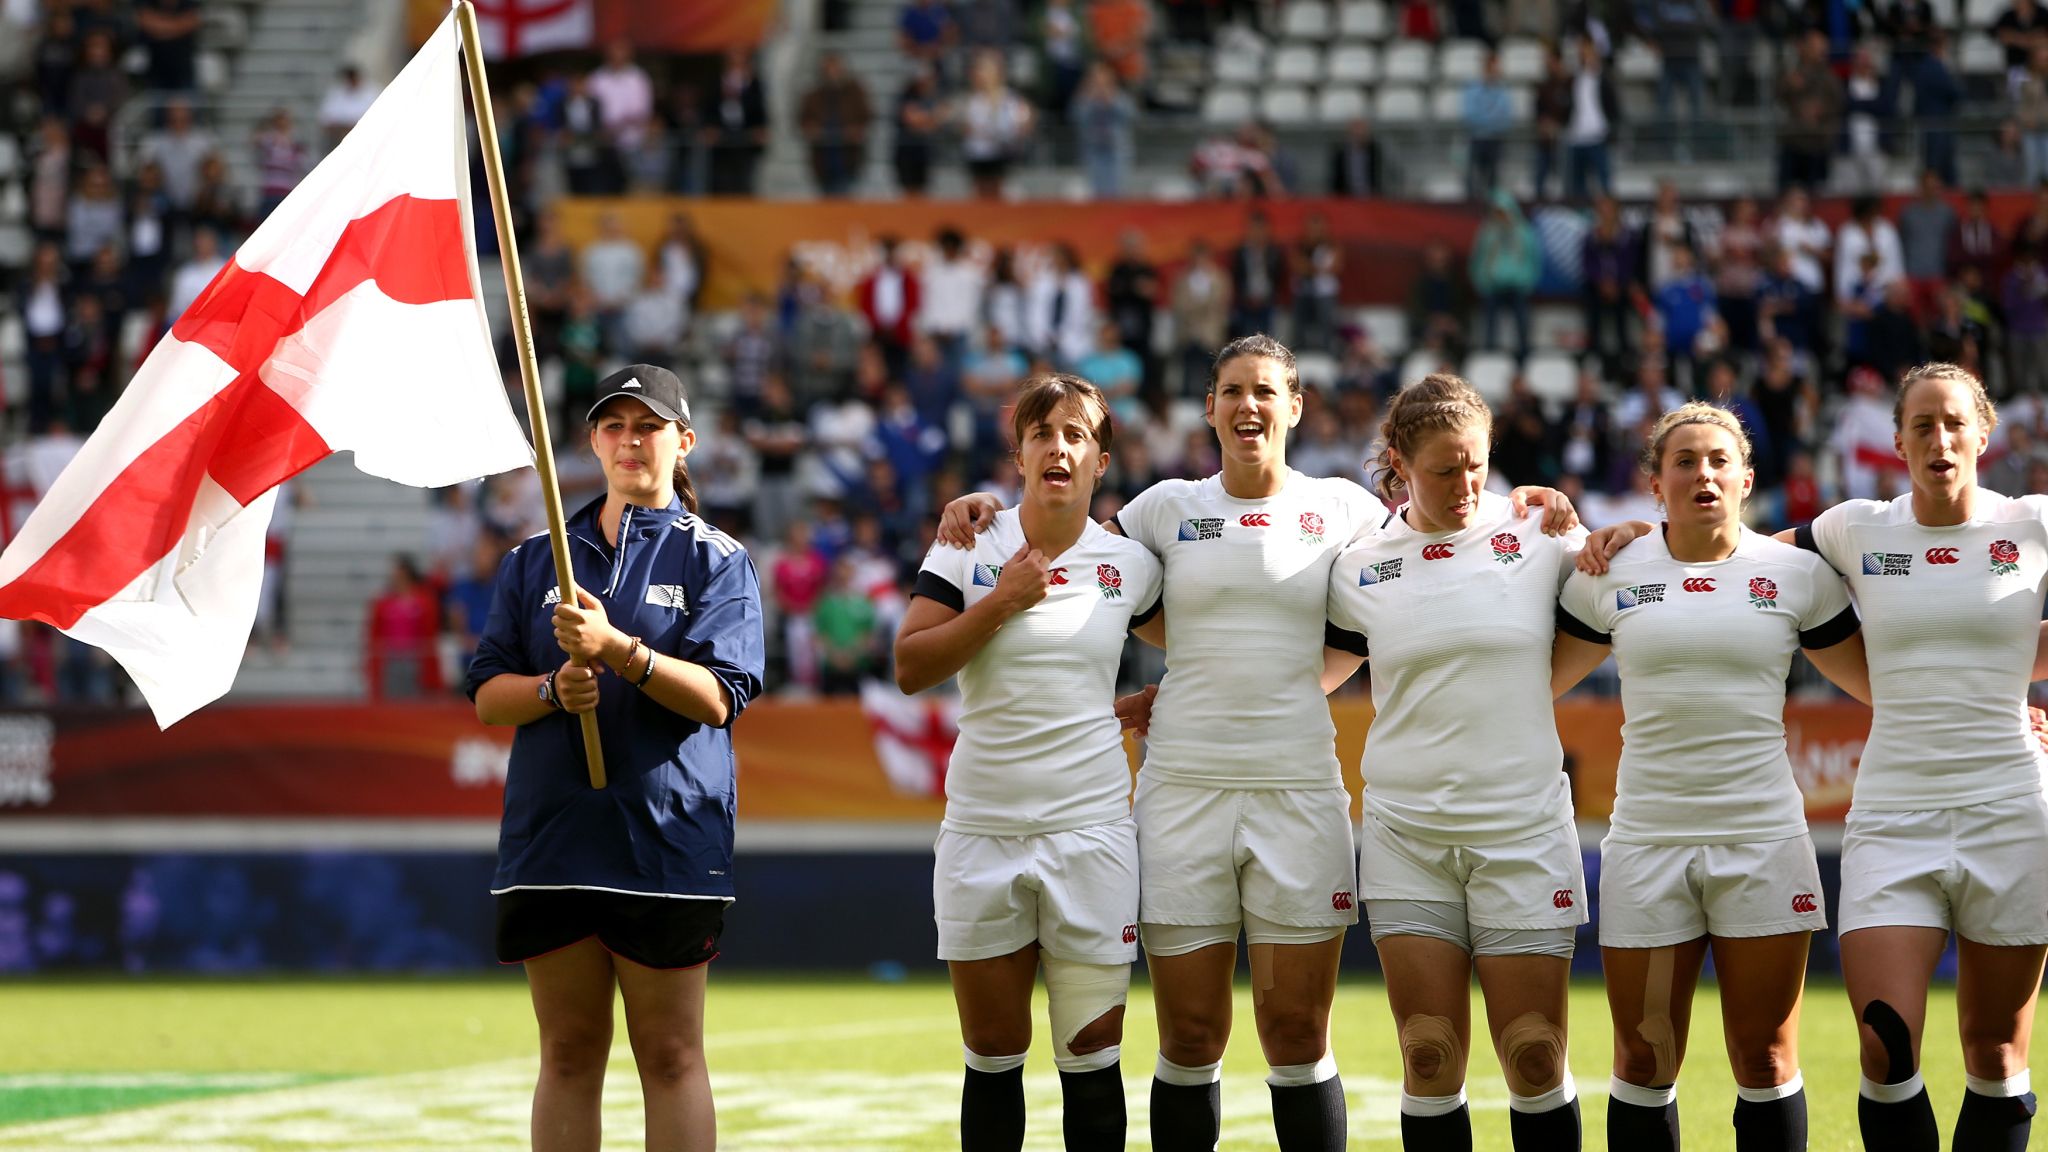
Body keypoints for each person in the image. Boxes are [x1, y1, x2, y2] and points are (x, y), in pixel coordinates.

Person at [941, 338, 1579, 1152]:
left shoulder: (1346, 511)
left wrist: (1531, 505)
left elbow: (1430, 552)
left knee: (1296, 1034)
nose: (1250, 404)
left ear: (1295, 406)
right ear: (1209, 407)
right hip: (1183, 797)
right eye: (1233, 390)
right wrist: (983, 511)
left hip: (1298, 793)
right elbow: (1077, 545)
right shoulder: (1162, 509)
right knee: (1190, 1037)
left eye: (1266, 390)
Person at [1550, 403, 1871, 1151]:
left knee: (1765, 1059)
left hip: (1763, 840)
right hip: (1648, 843)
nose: (1705, 473)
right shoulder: (1609, 572)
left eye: (1720, 460)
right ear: (1655, 482)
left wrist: (2005, 704)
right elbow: (1528, 681)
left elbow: (1882, 683)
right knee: (1643, 1059)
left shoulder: (1797, 575)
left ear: (1746, 479)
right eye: (1685, 461)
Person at [466, 363, 766, 1152]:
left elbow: (720, 696)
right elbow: (489, 694)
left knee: (670, 1056)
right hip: (554, 840)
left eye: (649, 427)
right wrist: (551, 690)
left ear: (684, 442)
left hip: (667, 842)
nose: (630, 441)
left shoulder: (718, 559)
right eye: (614, 426)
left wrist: (619, 651)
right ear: (593, 441)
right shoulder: (535, 559)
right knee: (567, 1054)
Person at [1323, 374, 1617, 1151]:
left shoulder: (1538, 533)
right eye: (1444, 470)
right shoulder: (1359, 566)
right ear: (1398, 462)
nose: (1465, 486)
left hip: (1522, 831)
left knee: (1534, 1055)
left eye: (1477, 466)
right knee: (1429, 1056)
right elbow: (1304, 672)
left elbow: (1613, 596)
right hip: (1406, 836)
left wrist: (1605, 529)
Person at [1780, 362, 2048, 1152]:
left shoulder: (2033, 525)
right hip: (1895, 813)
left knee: (1995, 1052)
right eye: (1922, 425)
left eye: (1955, 422)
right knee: (1883, 1041)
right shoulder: (1857, 527)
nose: (1940, 438)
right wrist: (1636, 541)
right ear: (1897, 441)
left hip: (2011, 810)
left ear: (1984, 434)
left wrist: (2019, 683)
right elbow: (1738, 557)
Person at [895, 373, 1164, 1152]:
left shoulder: (1131, 564)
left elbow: (1211, 638)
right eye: (1043, 433)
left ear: (1101, 461)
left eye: (1077, 435)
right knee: (993, 1053)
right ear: (1018, 455)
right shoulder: (969, 541)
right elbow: (910, 666)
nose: (1059, 447)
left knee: (1093, 1056)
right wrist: (1001, 601)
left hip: (1092, 832)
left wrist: (1152, 702)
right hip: (983, 830)